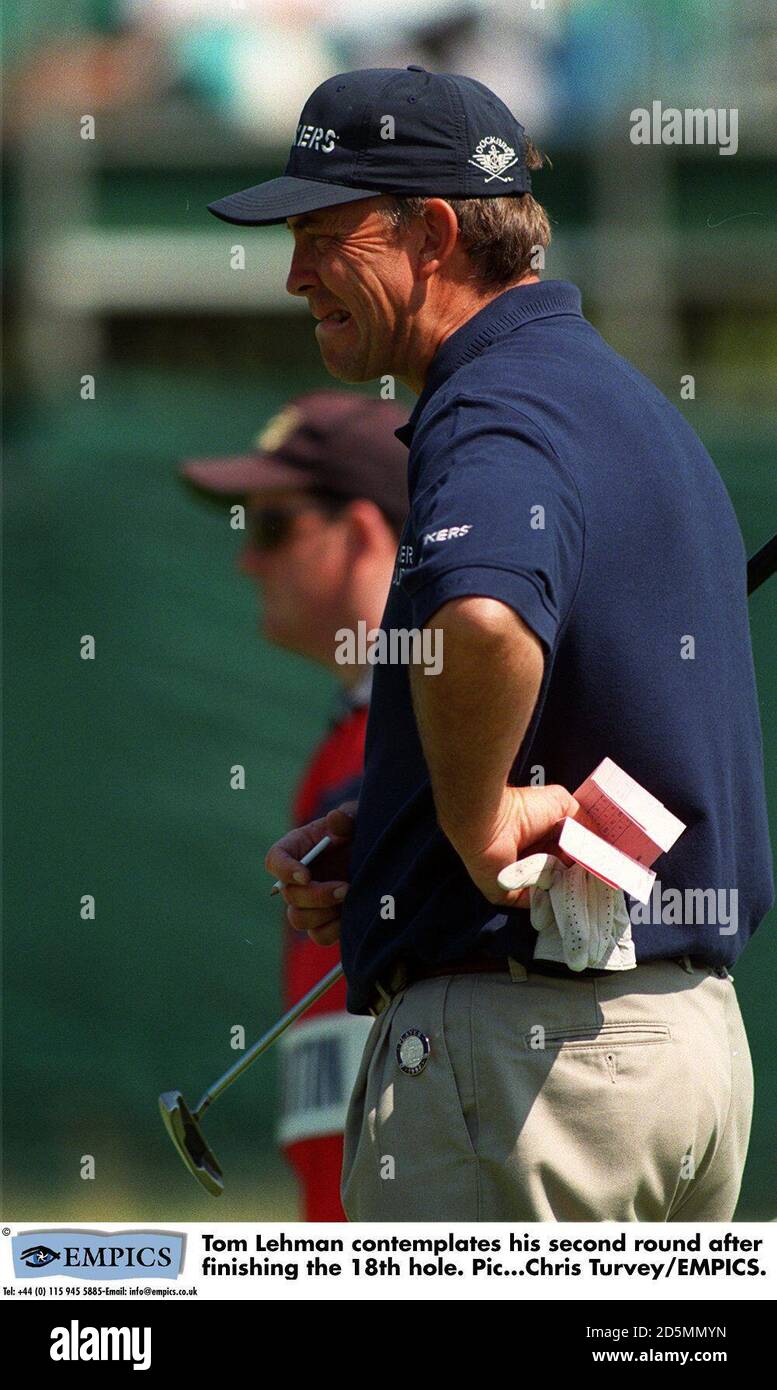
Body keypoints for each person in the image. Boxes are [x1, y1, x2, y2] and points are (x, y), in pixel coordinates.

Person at [211, 66, 773, 1221]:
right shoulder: (617, 403)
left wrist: (469, 828)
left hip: (529, 1070)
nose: (294, 272)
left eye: (327, 232)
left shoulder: (493, 406)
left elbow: (482, 622)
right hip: (679, 1059)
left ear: (434, 233)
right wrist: (405, 826)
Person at [180, 390, 408, 1219]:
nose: (248, 560)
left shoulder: (447, 740)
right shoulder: (348, 737)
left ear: (361, 534)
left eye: (272, 528)